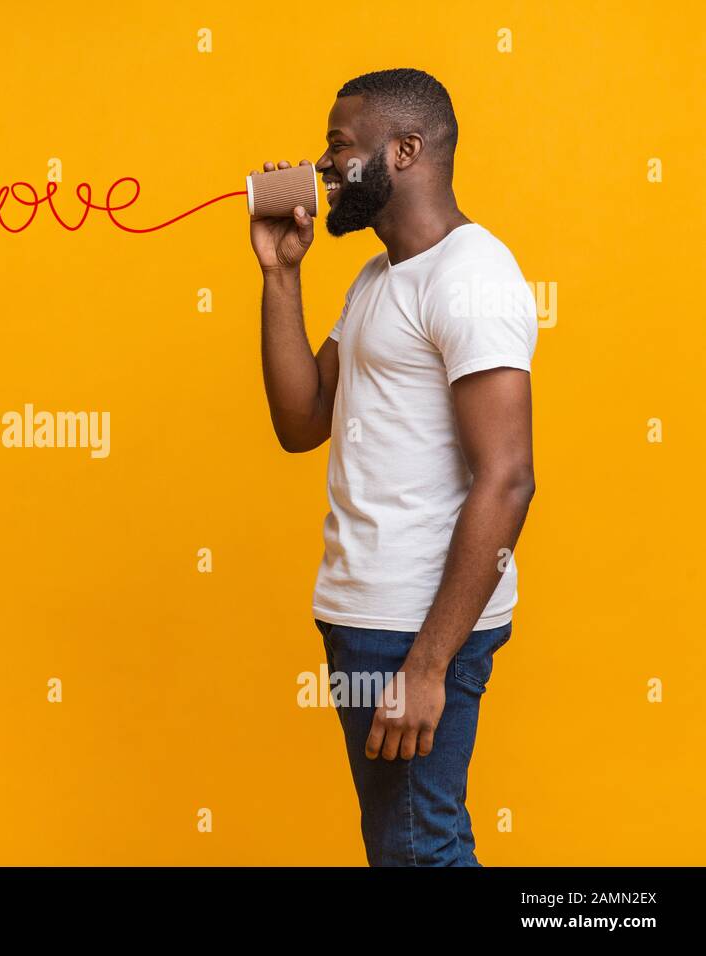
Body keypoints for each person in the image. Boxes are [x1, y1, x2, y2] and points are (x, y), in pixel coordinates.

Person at [250, 69, 538, 865]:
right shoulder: (379, 279)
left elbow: (509, 476)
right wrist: (282, 275)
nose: (322, 165)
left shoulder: (470, 276)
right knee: (408, 845)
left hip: (413, 625)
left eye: (340, 145)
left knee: (419, 851)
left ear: (405, 150)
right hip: (361, 614)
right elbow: (303, 421)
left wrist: (428, 663)